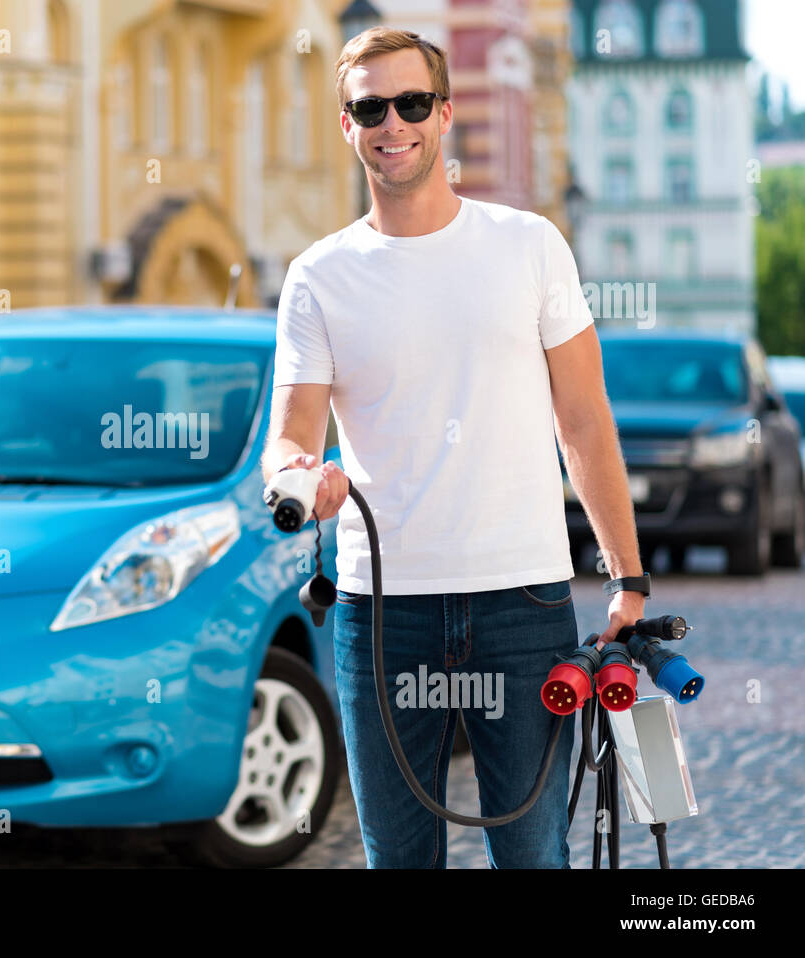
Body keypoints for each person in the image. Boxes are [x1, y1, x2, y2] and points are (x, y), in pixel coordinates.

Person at [260, 26, 649, 868]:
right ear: (347, 125)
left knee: (533, 855)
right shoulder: (319, 276)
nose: (389, 123)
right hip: (381, 614)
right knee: (398, 859)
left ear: (443, 115)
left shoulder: (529, 245)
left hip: (524, 606)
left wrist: (627, 575)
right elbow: (290, 435)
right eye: (369, 107)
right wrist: (298, 474)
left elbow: (583, 418)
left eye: (408, 104)